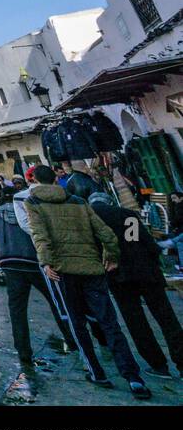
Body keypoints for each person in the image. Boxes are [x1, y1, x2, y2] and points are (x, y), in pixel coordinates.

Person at [25, 165, 150, 400]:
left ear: (34, 180)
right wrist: (110, 257)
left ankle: (97, 372)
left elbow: (39, 234)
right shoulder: (79, 202)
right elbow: (105, 234)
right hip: (92, 268)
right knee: (109, 322)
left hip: (63, 270)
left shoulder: (34, 203)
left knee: (76, 323)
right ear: (55, 178)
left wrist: (46, 262)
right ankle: (133, 377)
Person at [88, 192, 183, 379]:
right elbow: (143, 244)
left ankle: (158, 365)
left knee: (136, 321)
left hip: (118, 276)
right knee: (166, 317)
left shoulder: (89, 219)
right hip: (146, 273)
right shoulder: (126, 215)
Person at [0, 185, 74, 366]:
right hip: (36, 261)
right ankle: (72, 339)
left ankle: (23, 350)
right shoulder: (30, 208)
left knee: (17, 309)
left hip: (10, 263)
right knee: (57, 302)